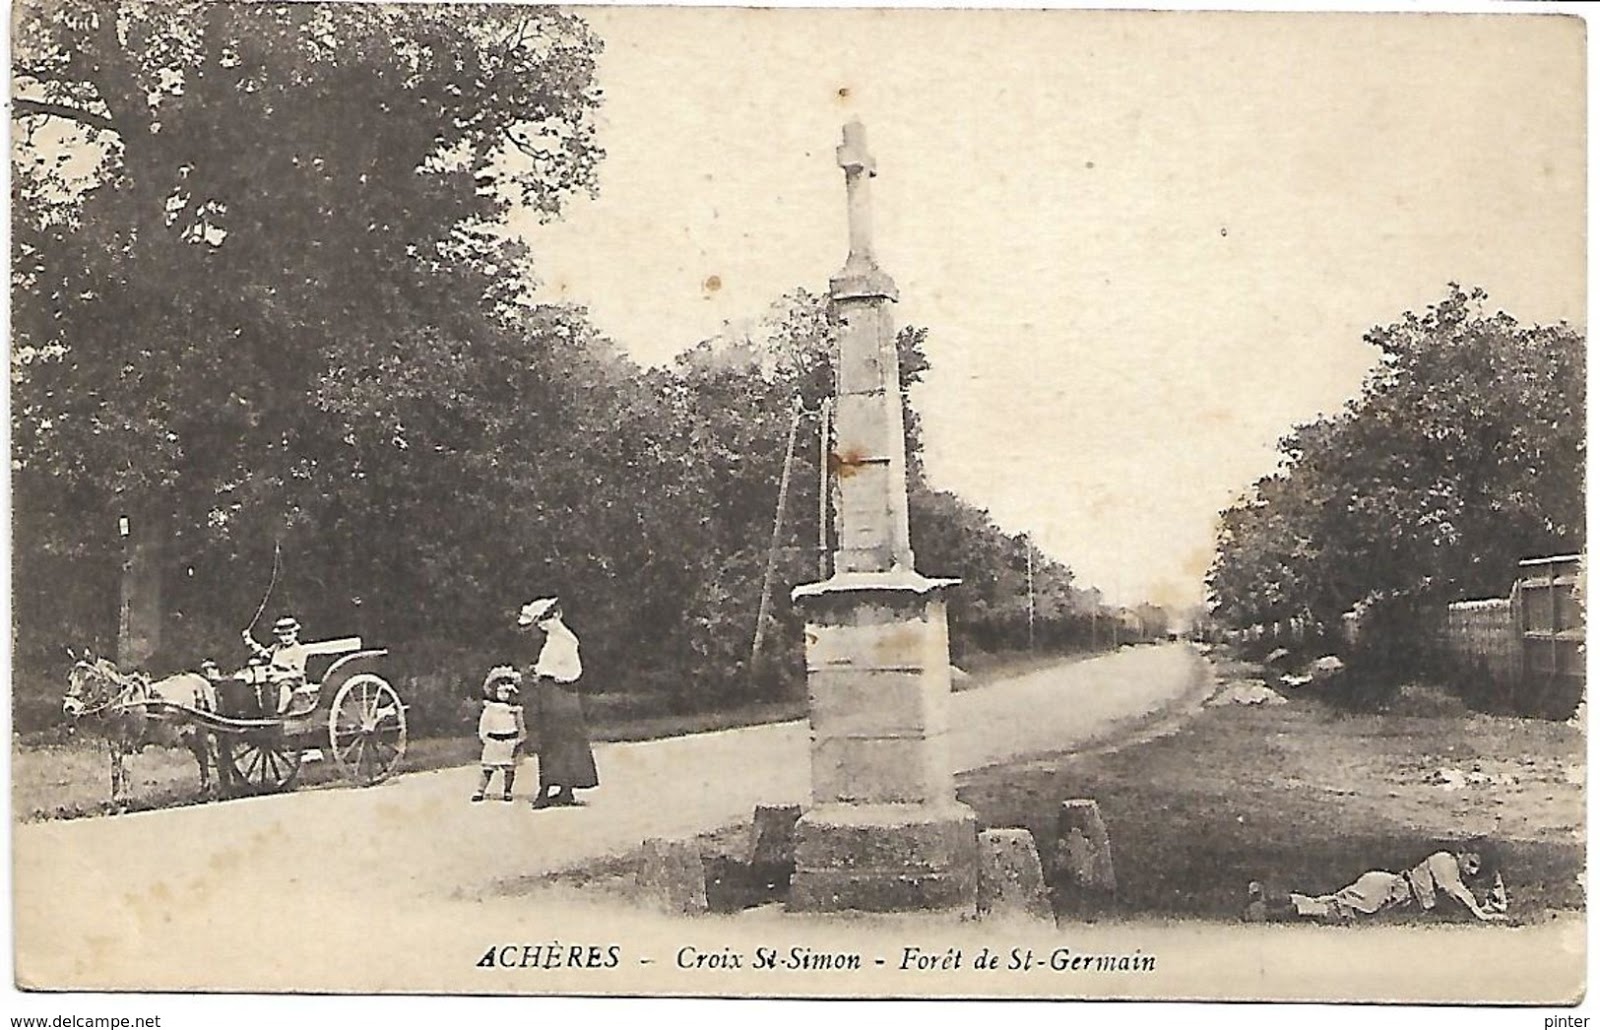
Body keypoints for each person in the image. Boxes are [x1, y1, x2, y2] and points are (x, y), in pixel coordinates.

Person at [519, 597, 598, 809]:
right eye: (539, 621)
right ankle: (562, 789)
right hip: (550, 693)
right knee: (552, 739)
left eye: (545, 618)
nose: (543, 624)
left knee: (559, 738)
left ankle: (551, 790)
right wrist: (539, 670)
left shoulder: (566, 640)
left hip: (561, 694)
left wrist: (548, 673)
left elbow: (574, 671)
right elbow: (551, 664)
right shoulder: (552, 639)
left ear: (557, 614)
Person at [1288, 847, 1508, 923]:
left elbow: (1482, 886)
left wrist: (1493, 904)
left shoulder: (1456, 871)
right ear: (1460, 852)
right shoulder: (1445, 860)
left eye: (1477, 869)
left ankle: (1268, 900)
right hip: (1386, 889)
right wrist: (1480, 914)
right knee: (1333, 911)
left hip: (1390, 892)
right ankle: (1270, 910)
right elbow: (1453, 890)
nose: (1472, 871)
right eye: (1471, 863)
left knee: (1328, 904)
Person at [472, 666, 527, 803]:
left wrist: (520, 738)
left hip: (510, 739)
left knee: (509, 768)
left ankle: (507, 791)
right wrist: (484, 737)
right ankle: (480, 790)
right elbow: (484, 724)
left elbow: (520, 725)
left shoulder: (514, 710)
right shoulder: (490, 707)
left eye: (507, 687)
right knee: (487, 767)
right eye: (501, 685)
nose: (504, 691)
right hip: (493, 740)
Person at [242, 615, 310, 715]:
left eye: (289, 634)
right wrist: (250, 641)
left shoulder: (298, 650)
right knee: (260, 681)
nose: (286, 638)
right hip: (275, 677)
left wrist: (281, 675)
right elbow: (264, 653)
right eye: (283, 635)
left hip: (290, 679)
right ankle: (263, 710)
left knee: (284, 687)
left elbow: (298, 672)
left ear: (295, 634)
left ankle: (281, 712)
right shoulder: (277, 647)